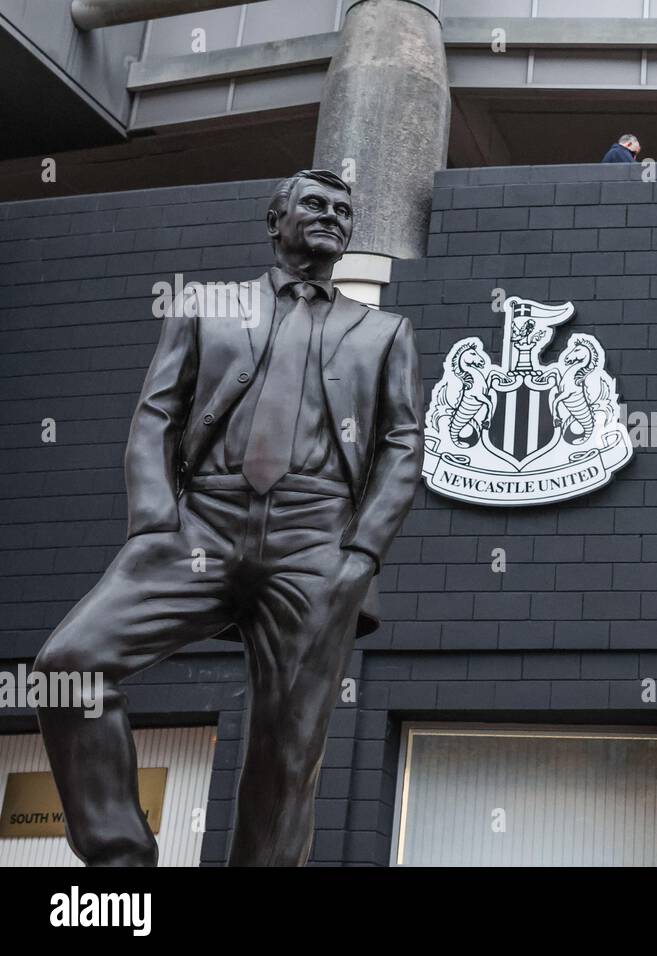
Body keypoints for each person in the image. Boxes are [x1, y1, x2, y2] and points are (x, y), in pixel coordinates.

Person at [32, 169, 423, 866]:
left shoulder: (384, 331)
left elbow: (402, 444)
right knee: (69, 666)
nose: (332, 215)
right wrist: (156, 523)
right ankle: (119, 862)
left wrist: (361, 555)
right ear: (275, 220)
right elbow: (155, 415)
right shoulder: (206, 305)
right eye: (314, 204)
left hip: (316, 538)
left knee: (289, 746)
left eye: (344, 209)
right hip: (201, 524)